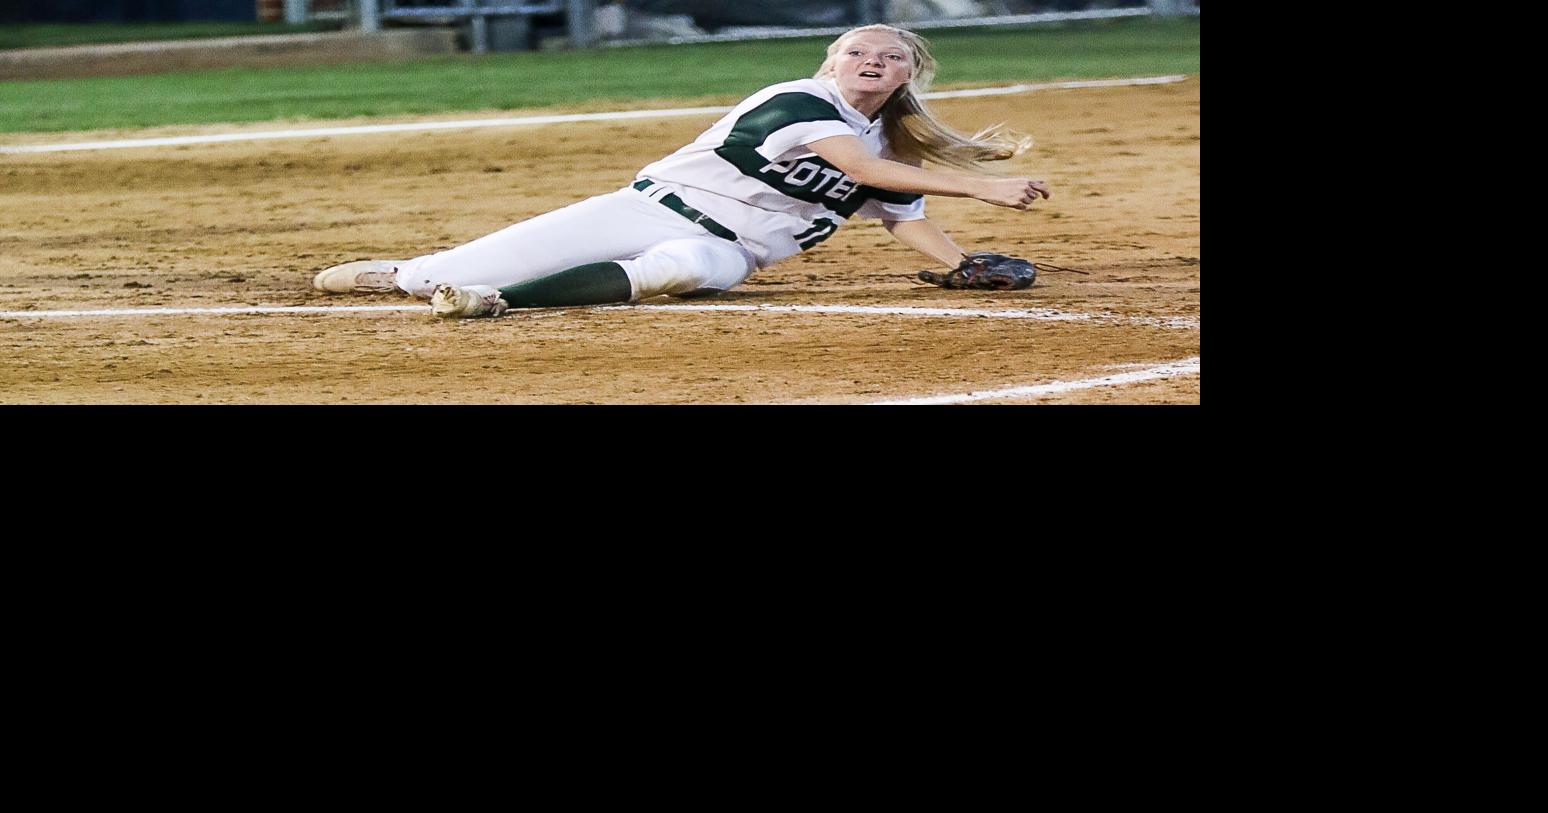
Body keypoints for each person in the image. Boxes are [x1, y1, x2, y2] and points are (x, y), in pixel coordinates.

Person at [311, 24, 1051, 319]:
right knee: (431, 276)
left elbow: (902, 215)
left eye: (888, 56)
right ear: (831, 62)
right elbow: (856, 169)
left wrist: (960, 266)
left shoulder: (896, 146)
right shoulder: (798, 100)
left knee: (683, 268)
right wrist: (985, 185)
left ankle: (495, 302)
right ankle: (408, 271)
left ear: (908, 72)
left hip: (731, 251)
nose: (870, 61)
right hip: (646, 206)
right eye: (856, 50)